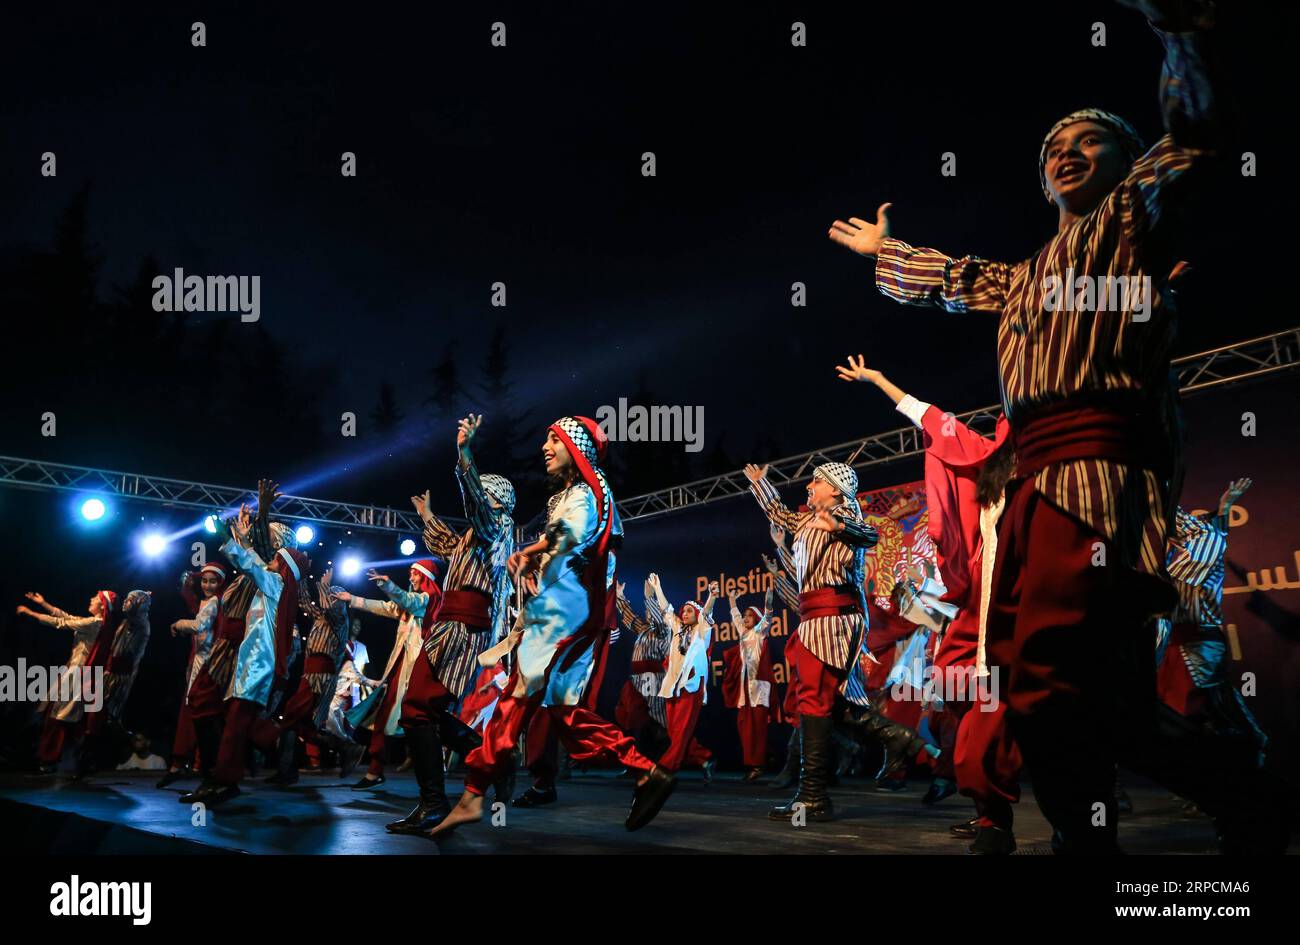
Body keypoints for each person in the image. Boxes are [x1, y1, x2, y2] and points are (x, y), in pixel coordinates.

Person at [829, 1, 1287, 852]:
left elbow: (1196, 140)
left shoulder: (1128, 224)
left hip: (1096, 479)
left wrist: (1181, 33)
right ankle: (1193, 805)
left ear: (1125, 162)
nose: (1065, 153)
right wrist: (882, 254)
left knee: (1049, 677)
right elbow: (956, 278)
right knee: (1069, 690)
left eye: (1089, 141)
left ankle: (1211, 797)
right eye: (1052, 149)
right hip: (1035, 487)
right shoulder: (1028, 273)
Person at [429, 416, 676, 837]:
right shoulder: (576, 495)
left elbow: (571, 536)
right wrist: (536, 563)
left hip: (565, 613)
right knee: (564, 713)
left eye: (554, 440)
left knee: (515, 699)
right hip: (568, 611)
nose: (545, 447)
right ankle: (644, 770)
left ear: (576, 449)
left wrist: (533, 551)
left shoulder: (586, 493)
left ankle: (472, 795)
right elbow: (573, 547)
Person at [839, 354, 1023, 854]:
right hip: (980, 614)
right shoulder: (988, 466)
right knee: (965, 713)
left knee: (1003, 722)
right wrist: (879, 380)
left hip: (1023, 613)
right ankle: (990, 815)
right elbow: (931, 418)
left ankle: (1003, 819)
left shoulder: (1050, 474)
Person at [387, 413, 516, 835]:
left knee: (417, 707)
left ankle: (435, 803)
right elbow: (448, 543)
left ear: (495, 501)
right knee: (423, 708)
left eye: (484, 495)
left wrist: (465, 454)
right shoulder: (476, 537)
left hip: (463, 624)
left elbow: (475, 503)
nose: (479, 501)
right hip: (451, 625)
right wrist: (427, 515)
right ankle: (492, 760)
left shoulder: (496, 525)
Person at [744, 460, 879, 822]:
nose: (808, 486)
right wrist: (762, 484)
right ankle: (900, 744)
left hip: (832, 619)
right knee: (820, 702)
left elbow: (870, 536)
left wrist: (839, 526)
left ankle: (813, 797)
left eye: (816, 481)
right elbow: (779, 514)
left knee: (816, 701)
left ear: (834, 488)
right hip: (814, 619)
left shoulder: (845, 513)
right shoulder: (806, 521)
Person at [181, 501, 309, 806]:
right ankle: (266, 741)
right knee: (234, 721)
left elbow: (251, 562)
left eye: (276, 558)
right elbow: (253, 560)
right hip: (248, 661)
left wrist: (228, 536)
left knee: (236, 725)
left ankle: (226, 779)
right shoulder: (272, 584)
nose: (271, 560)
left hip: (255, 666)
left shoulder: (275, 583)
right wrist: (240, 535)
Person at [1156, 479, 1268, 768]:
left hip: (1199, 643)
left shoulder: (1206, 545)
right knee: (1198, 710)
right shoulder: (1188, 547)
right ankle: (1239, 757)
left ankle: (1246, 755)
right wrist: (1224, 506)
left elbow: (1209, 536)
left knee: (1203, 711)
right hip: (1180, 641)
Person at [338, 560, 441, 789]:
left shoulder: (427, 600)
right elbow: (386, 607)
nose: (411, 578)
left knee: (420, 721)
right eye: (410, 573)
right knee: (385, 716)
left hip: (418, 671)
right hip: (400, 669)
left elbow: (406, 600)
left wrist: (389, 585)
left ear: (425, 577)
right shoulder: (409, 606)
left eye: (415, 574)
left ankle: (428, 773)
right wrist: (352, 598)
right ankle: (376, 771)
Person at [17, 590, 116, 773]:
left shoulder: (94, 623)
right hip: (74, 671)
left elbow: (61, 623)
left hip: (77, 674)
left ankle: (50, 760)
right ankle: (52, 758)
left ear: (103, 606)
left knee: (59, 717)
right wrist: (43, 603)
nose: (91, 599)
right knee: (57, 714)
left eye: (95, 598)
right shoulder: (95, 622)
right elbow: (67, 617)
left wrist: (31, 613)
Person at [159, 563, 228, 787]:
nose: (208, 585)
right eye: (205, 581)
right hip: (199, 661)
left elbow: (199, 625)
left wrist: (178, 624)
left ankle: (192, 765)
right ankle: (194, 765)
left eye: (213, 581)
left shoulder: (215, 602)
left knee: (198, 712)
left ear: (220, 583)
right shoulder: (206, 602)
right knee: (199, 713)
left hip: (206, 663)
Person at [77, 589, 153, 778]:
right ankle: (88, 760)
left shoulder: (140, 623)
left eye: (130, 600)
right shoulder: (128, 621)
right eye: (125, 599)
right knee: (96, 717)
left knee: (105, 718)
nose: (125, 602)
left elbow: (127, 651)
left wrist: (141, 599)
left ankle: (98, 758)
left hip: (119, 678)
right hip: (110, 674)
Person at [649, 575, 718, 780]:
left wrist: (712, 596)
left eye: (689, 611)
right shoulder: (678, 629)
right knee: (675, 732)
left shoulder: (702, 630)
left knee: (680, 731)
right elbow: (666, 609)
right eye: (684, 611)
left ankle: (665, 768)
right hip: (673, 686)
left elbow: (707, 613)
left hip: (691, 686)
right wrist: (658, 588)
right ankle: (704, 758)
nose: (684, 613)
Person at [723, 583, 776, 782]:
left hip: (758, 689)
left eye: (750, 616)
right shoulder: (743, 634)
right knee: (744, 728)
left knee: (757, 729)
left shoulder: (760, 633)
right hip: (744, 690)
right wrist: (731, 601)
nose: (745, 618)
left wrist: (768, 604)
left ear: (757, 619)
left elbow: (767, 618)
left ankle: (757, 765)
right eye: (745, 615)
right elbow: (735, 617)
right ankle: (758, 760)